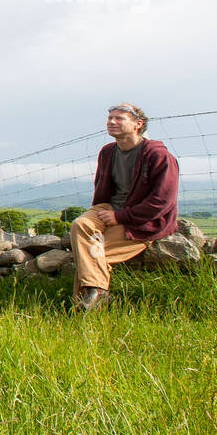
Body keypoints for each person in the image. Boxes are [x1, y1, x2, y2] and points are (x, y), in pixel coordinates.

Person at [69, 103, 180, 310]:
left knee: (92, 253)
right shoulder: (108, 152)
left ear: (138, 124)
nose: (111, 122)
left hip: (142, 219)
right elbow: (101, 185)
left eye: (119, 118)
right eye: (110, 118)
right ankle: (96, 298)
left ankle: (86, 304)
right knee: (80, 224)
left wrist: (121, 217)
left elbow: (162, 202)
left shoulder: (158, 156)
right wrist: (111, 212)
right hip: (108, 208)